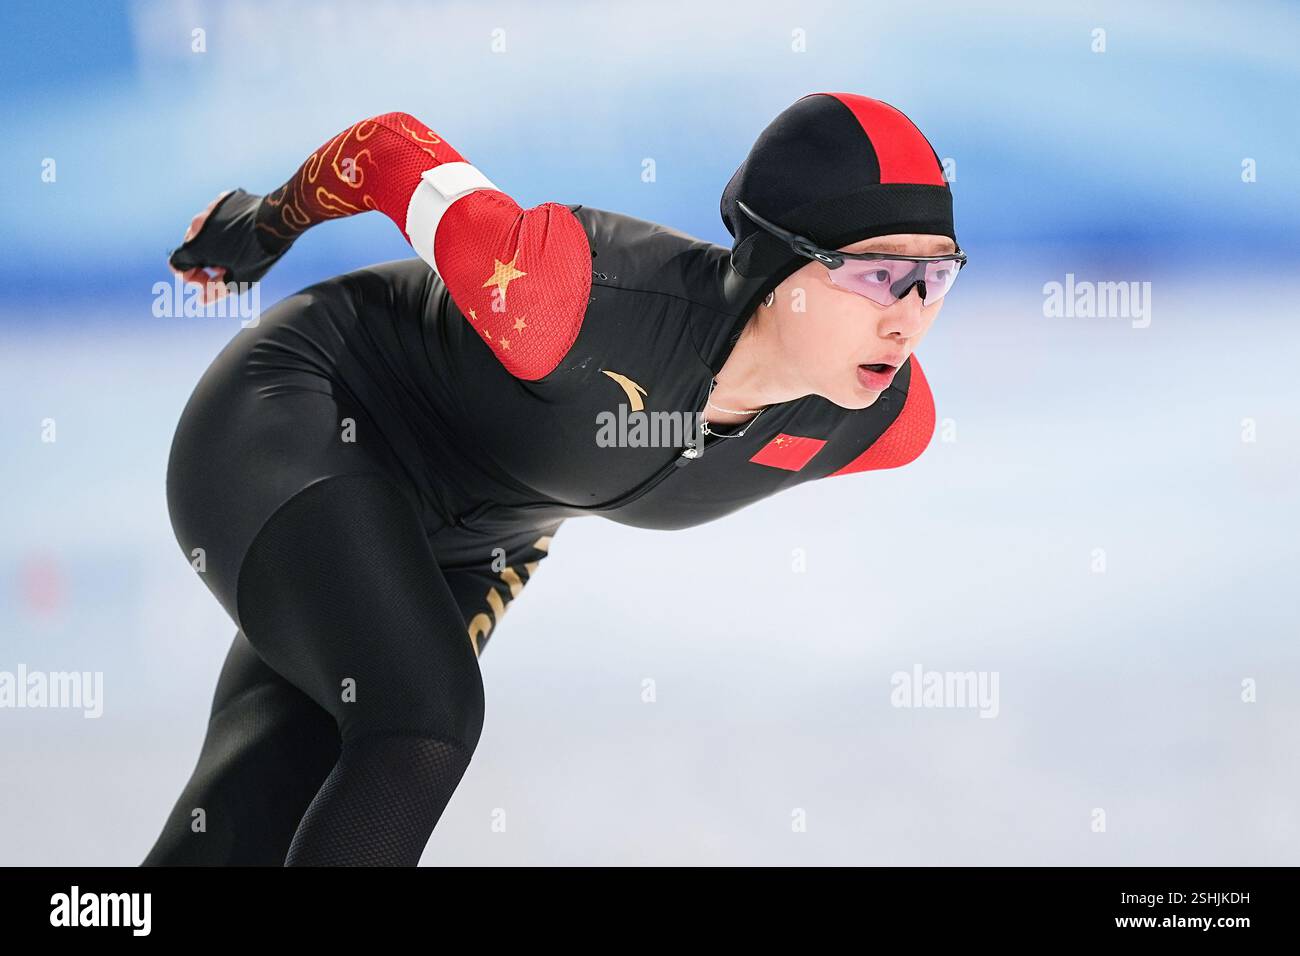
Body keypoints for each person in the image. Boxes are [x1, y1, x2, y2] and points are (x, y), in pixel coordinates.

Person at [144, 91, 967, 866]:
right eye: (875, 273)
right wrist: (257, 227)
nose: (909, 315)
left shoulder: (883, 421)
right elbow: (391, 148)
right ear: (775, 264)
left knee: (257, 804)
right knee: (420, 719)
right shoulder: (563, 295)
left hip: (477, 541)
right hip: (304, 414)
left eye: (937, 276)